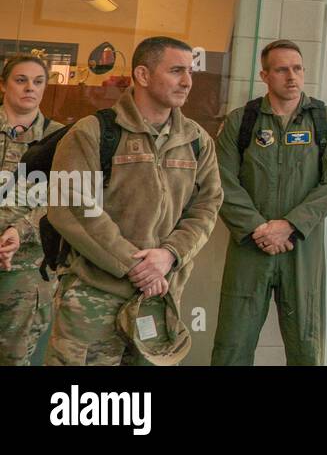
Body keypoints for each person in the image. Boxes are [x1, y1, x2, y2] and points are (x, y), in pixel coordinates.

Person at [45, 36, 223, 365]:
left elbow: (206, 207)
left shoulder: (197, 141)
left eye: (190, 72)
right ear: (142, 75)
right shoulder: (92, 133)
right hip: (94, 298)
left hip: (158, 300)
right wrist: (136, 265)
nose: (187, 81)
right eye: (176, 71)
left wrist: (170, 255)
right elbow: (73, 207)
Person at [211, 40, 327, 366]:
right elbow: (221, 181)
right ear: (265, 75)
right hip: (251, 246)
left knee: (306, 347)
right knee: (232, 344)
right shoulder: (241, 121)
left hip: (301, 246)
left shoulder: (326, 121)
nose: (292, 76)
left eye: (298, 68)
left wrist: (289, 225)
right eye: (282, 69)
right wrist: (258, 228)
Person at [0, 54, 65, 365]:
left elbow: (69, 202)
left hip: (26, 270)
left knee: (13, 358)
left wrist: (19, 229)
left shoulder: (62, 138)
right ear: (3, 84)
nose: (30, 88)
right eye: (21, 80)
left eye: (38, 82)